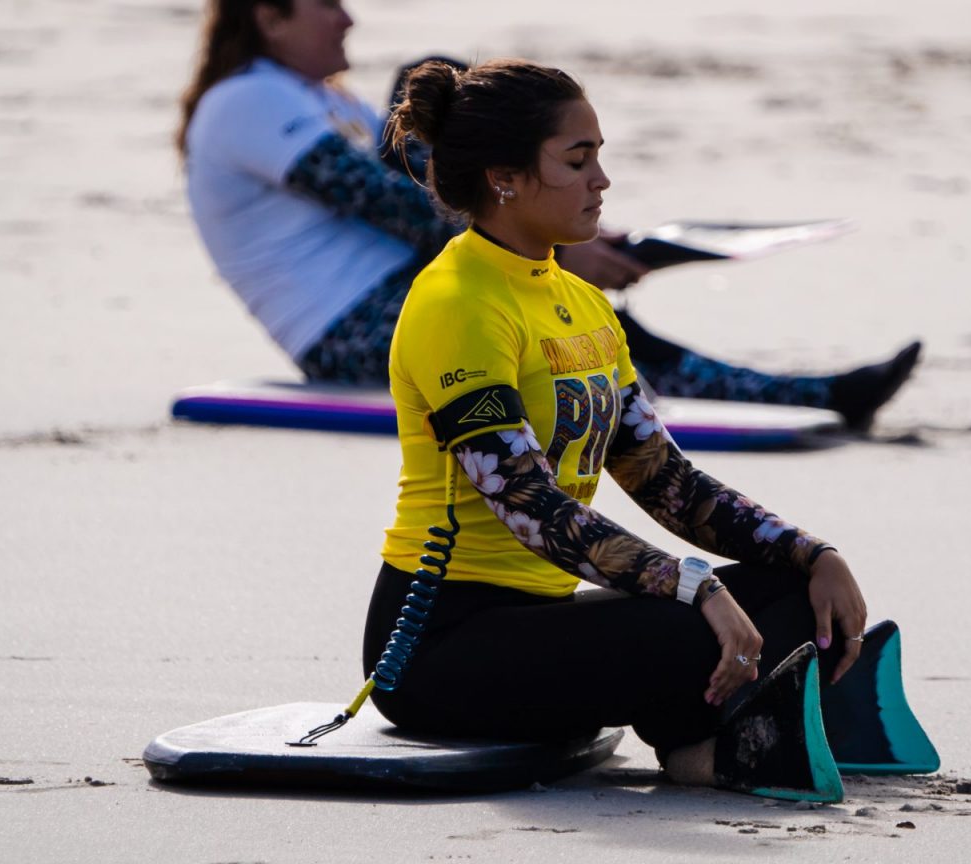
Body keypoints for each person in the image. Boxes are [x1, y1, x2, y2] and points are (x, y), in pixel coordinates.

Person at [354, 56, 880, 800]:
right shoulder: (458, 303)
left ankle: (741, 722)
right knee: (702, 623)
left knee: (791, 595)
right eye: (577, 160)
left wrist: (808, 551)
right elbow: (531, 506)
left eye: (599, 157)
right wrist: (692, 586)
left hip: (543, 623)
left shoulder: (581, 302)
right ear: (504, 177)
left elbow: (666, 482)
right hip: (440, 652)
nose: (602, 181)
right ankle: (705, 746)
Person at [177, 0, 922, 433]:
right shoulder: (247, 99)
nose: (348, 16)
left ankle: (791, 387)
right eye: (324, 2)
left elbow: (425, 191)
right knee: (579, 316)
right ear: (269, 17)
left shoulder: (317, 96)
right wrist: (558, 252)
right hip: (353, 328)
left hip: (403, 278)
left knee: (430, 81)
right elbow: (391, 204)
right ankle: (810, 398)